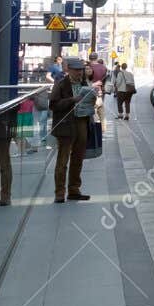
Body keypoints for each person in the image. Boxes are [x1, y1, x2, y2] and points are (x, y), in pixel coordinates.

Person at [50, 56, 95, 203]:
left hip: (82, 122)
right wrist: (72, 101)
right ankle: (60, 192)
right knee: (62, 160)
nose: (79, 73)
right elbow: (53, 105)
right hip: (65, 126)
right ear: (68, 70)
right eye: (76, 70)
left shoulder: (85, 84)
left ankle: (74, 189)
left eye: (81, 70)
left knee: (78, 158)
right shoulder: (61, 84)